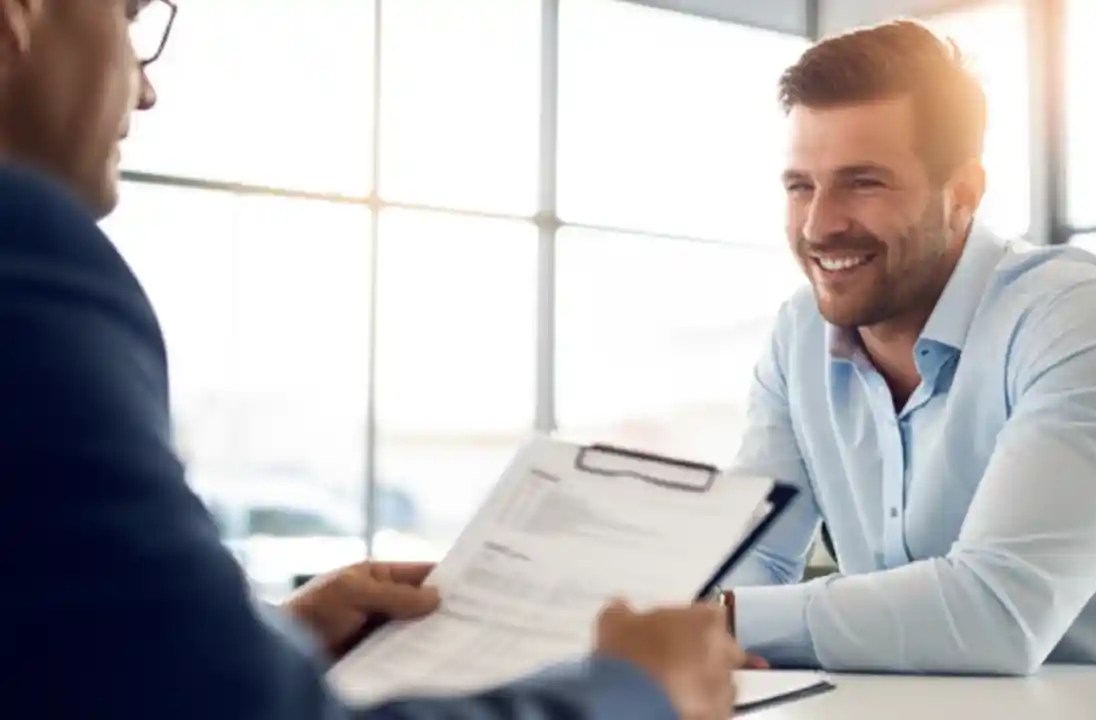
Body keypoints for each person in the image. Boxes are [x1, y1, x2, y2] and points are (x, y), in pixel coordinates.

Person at [0, 1, 742, 718]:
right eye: (130, 17)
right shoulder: (27, 255)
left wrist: (270, 639)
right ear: (19, 12)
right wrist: (637, 693)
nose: (148, 86)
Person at [714, 20, 1096, 675]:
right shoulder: (799, 335)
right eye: (800, 185)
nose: (819, 224)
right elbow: (752, 555)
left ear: (963, 194)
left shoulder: (1079, 319)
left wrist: (720, 623)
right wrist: (702, 623)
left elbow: (995, 615)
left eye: (864, 182)